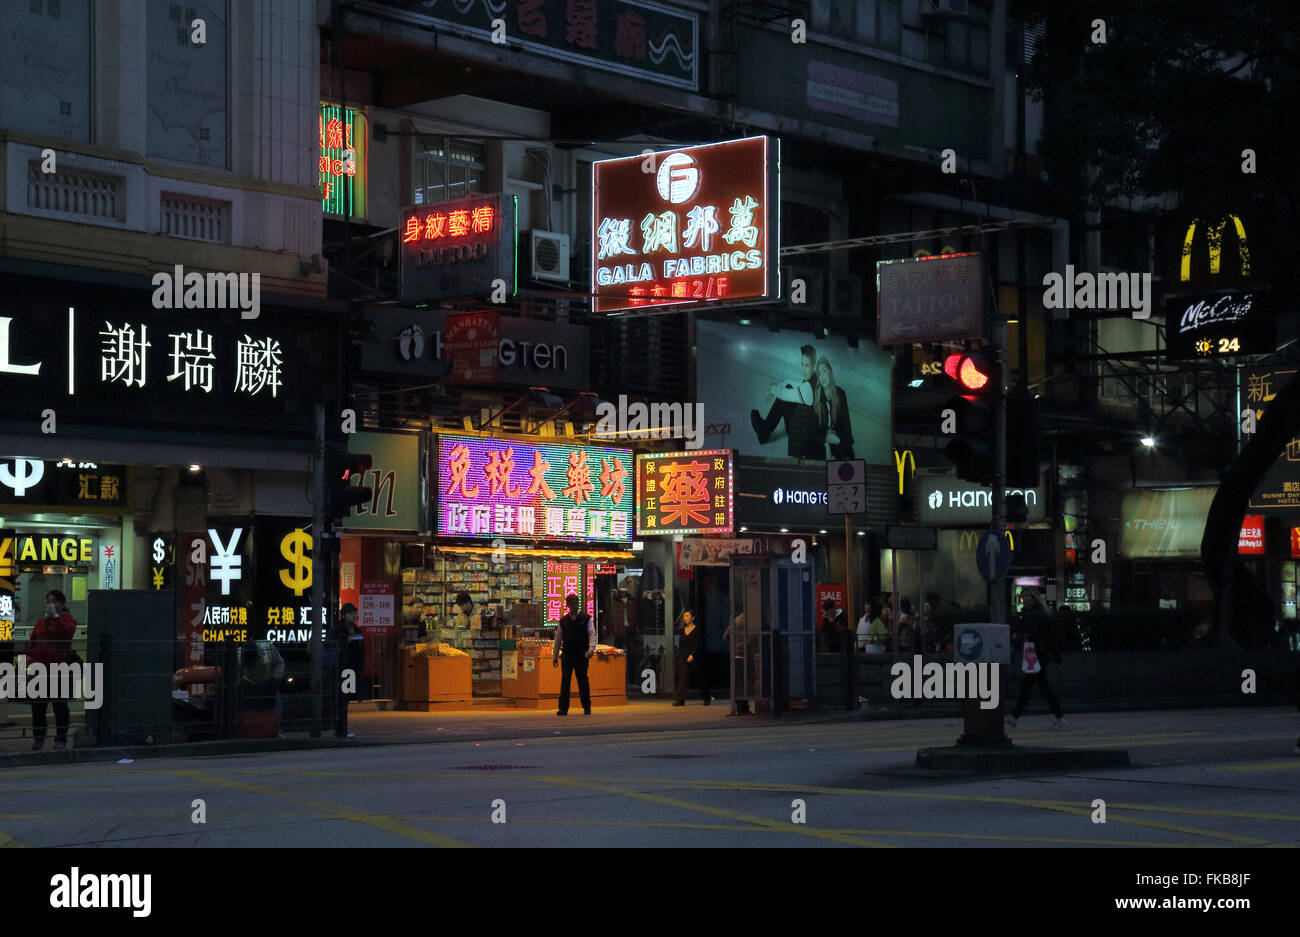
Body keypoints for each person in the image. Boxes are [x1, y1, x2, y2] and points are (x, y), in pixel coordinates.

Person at [750, 344, 823, 459]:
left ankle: (764, 431)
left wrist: (773, 389)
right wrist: (779, 385)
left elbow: (786, 395)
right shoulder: (814, 379)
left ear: (814, 367)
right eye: (802, 365)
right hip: (807, 429)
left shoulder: (808, 389)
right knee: (787, 388)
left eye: (807, 366)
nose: (803, 369)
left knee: (783, 399)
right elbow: (793, 384)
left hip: (802, 439)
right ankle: (765, 431)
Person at [1007, 588, 1067, 730]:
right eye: (1023, 596)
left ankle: (1015, 717)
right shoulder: (1030, 614)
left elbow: (1036, 635)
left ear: (1034, 598)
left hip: (1036, 654)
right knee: (1039, 687)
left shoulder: (1036, 615)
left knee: (1030, 687)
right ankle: (1059, 718)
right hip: (1033, 654)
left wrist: (1019, 636)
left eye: (1027, 596)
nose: (1025, 599)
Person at [27, 590, 77, 750]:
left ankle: (60, 739)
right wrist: (30, 656)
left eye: (54, 601)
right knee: (38, 707)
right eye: (48, 602)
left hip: (59, 669)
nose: (50, 605)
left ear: (62, 604)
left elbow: (64, 635)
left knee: (60, 706)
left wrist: (55, 618)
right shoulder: (41, 622)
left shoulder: (68, 620)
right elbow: (33, 640)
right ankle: (38, 738)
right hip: (39, 669)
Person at [553, 593, 595, 716]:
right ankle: (563, 708)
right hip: (567, 654)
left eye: (576, 603)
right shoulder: (563, 621)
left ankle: (587, 706)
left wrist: (591, 649)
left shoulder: (586, 618)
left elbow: (592, 634)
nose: (575, 605)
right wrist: (555, 655)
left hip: (581, 654)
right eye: (572, 603)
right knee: (565, 681)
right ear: (568, 605)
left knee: (583, 681)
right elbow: (558, 639)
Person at [332, 603, 365, 738]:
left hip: (352, 670)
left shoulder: (358, 631)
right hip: (340, 669)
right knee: (340, 701)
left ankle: (343, 729)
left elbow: (362, 651)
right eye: (350, 613)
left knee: (345, 700)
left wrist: (361, 667)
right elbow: (331, 648)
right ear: (343, 615)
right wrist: (346, 642)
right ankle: (341, 730)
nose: (353, 615)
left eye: (354, 613)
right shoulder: (337, 631)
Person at [813, 356, 854, 459]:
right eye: (819, 373)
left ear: (830, 372)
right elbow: (811, 430)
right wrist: (825, 440)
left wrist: (842, 443)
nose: (822, 376)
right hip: (821, 441)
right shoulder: (815, 396)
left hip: (838, 439)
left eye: (824, 371)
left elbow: (846, 424)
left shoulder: (840, 394)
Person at [673, 609, 710, 706]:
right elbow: (680, 645)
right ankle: (680, 700)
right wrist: (680, 656)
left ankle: (706, 697)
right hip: (683, 656)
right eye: (684, 616)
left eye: (687, 616)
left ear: (693, 618)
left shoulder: (697, 630)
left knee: (700, 677)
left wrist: (692, 655)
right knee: (682, 678)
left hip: (695, 657)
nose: (685, 618)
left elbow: (698, 644)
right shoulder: (681, 631)